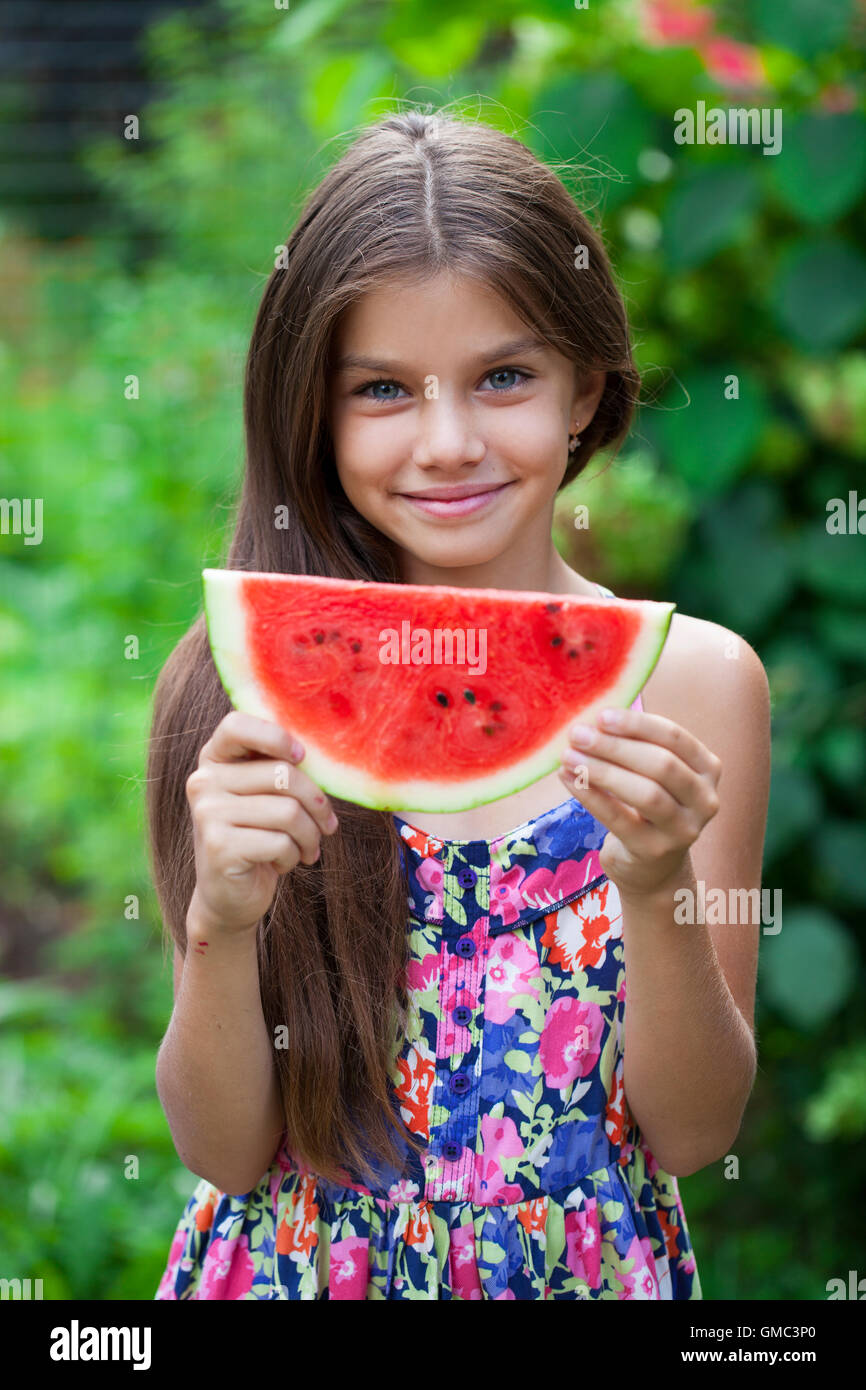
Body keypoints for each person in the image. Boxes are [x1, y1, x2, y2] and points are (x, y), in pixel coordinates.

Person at [148, 105, 769, 1300]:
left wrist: (654, 883)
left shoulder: (695, 686)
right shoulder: (233, 690)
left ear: (584, 389)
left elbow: (691, 1133)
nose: (446, 442)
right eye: (381, 388)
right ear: (313, 415)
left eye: (502, 376)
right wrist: (220, 924)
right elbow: (220, 1150)